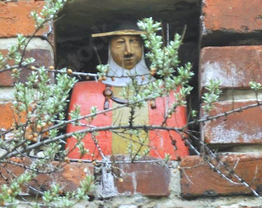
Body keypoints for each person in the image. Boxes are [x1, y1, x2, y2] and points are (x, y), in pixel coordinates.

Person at [64, 23, 188, 161]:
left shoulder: (170, 93)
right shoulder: (85, 94)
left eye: (134, 42)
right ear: (110, 49)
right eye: (120, 43)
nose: (128, 51)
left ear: (143, 47)